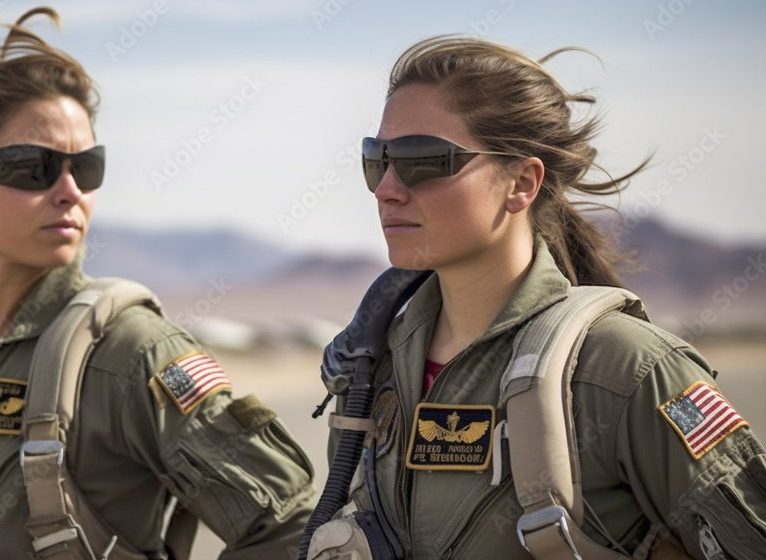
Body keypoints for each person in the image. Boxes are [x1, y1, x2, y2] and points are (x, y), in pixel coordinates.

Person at [0, 7, 314, 560]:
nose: (70, 191)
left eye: (85, 167)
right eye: (34, 167)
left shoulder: (130, 352)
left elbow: (289, 523)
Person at [305, 36, 766, 559]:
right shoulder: (370, 370)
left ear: (521, 183)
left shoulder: (626, 371)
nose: (386, 188)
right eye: (378, 159)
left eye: (422, 159)